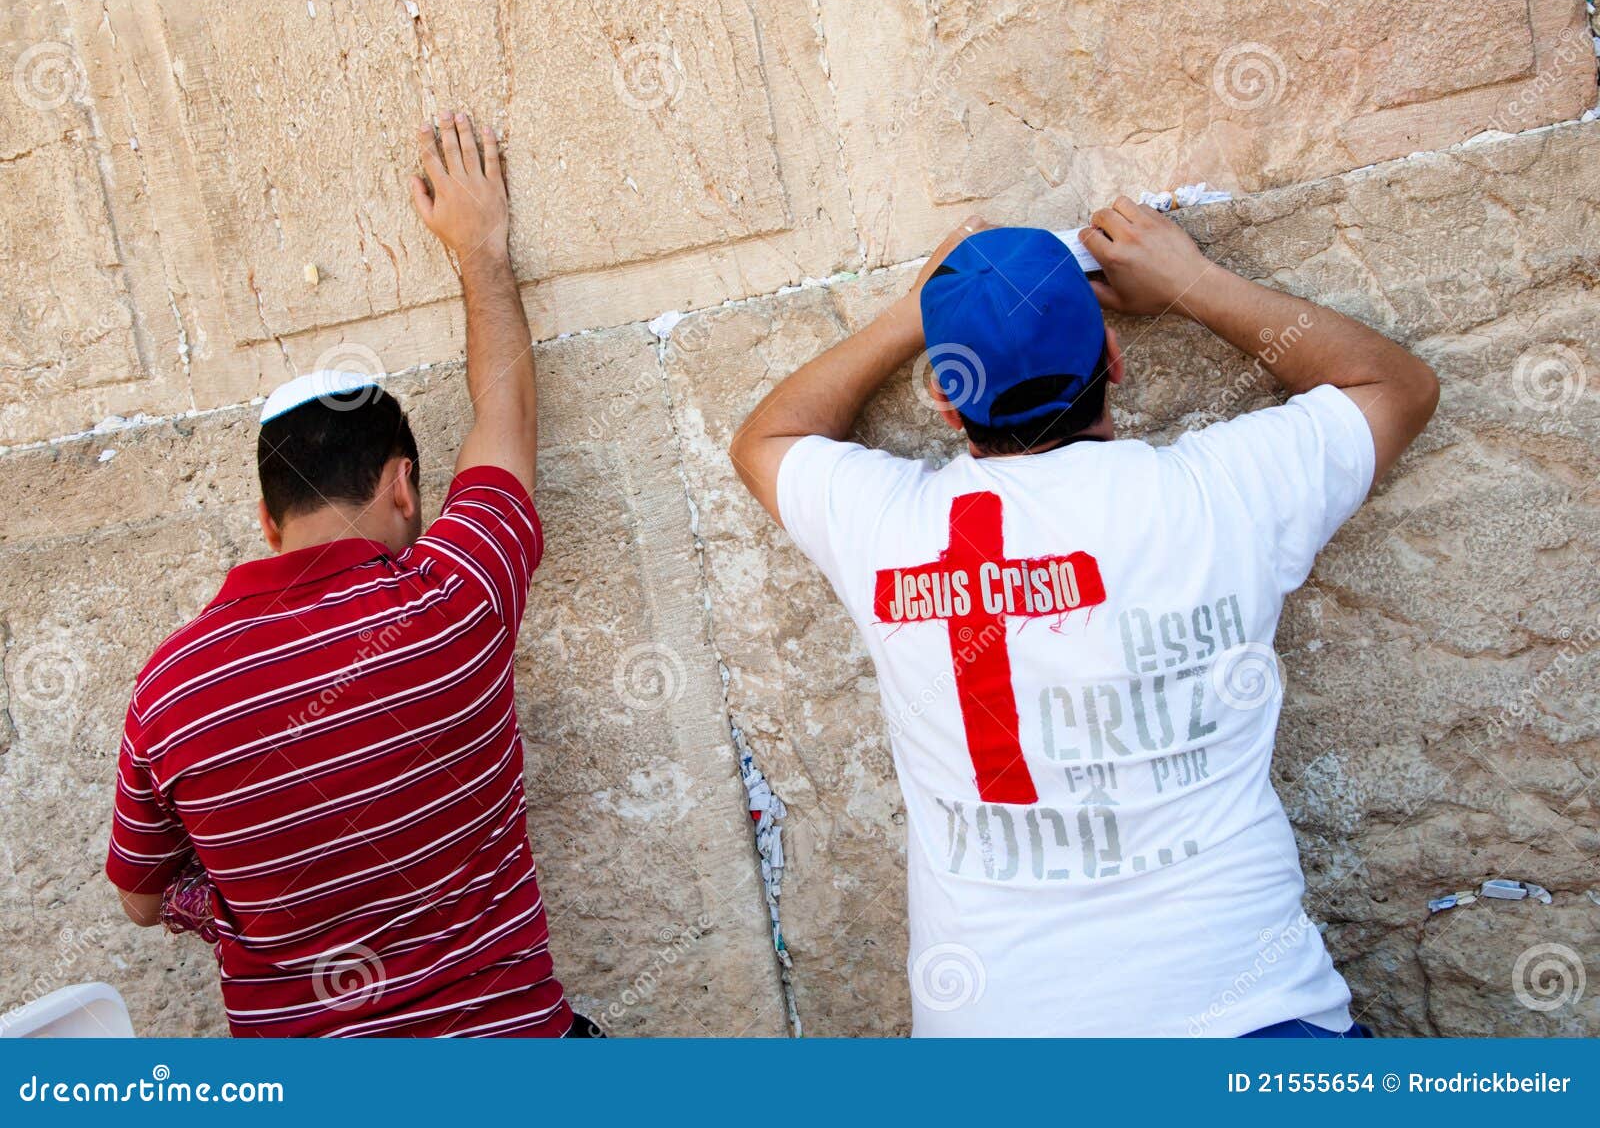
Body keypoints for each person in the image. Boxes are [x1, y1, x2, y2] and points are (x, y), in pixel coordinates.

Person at [728, 202, 1438, 1036]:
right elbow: (1398, 384)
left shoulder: (888, 528)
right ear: (1113, 358)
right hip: (1255, 1026)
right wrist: (1194, 283)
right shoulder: (1221, 497)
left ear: (946, 401)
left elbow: (765, 439)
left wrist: (913, 313)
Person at [105, 113, 602, 1038]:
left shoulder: (172, 694)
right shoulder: (453, 602)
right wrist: (481, 253)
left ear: (266, 518)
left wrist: (230, 906)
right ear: (404, 485)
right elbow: (507, 418)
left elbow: (140, 896)